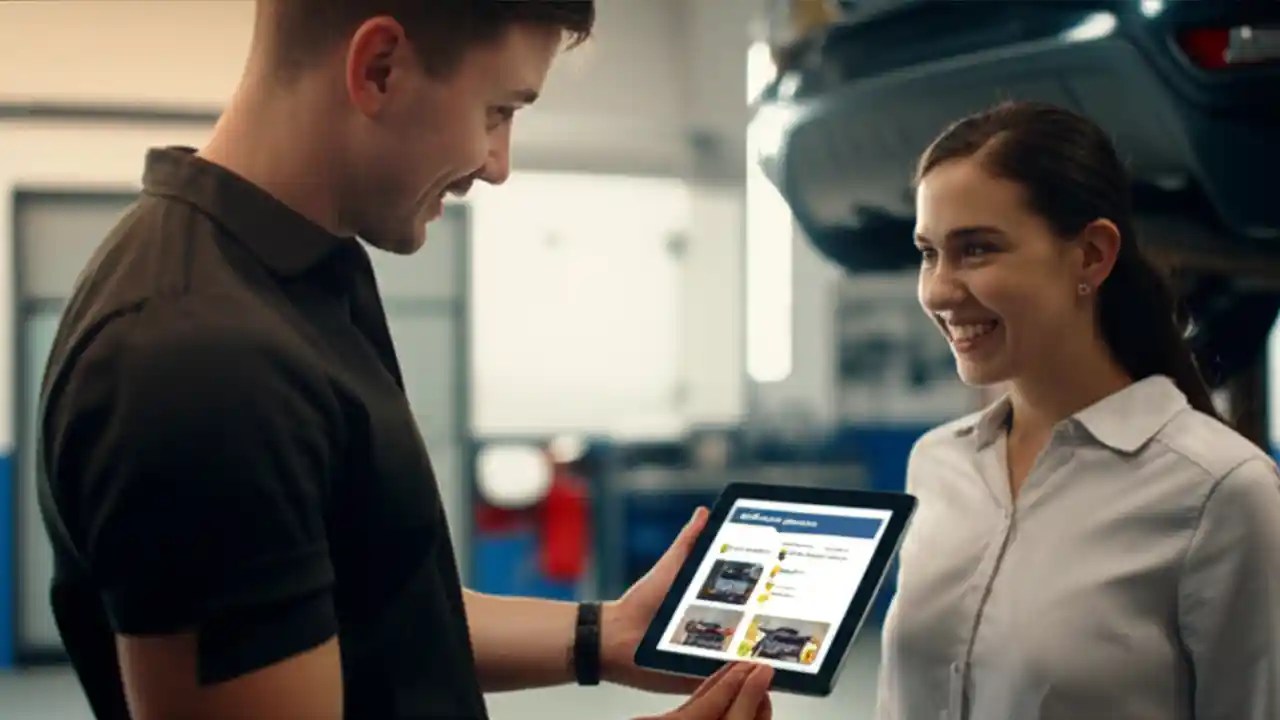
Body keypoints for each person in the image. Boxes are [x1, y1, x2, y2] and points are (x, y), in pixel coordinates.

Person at [36, 2, 773, 718]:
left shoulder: (293, 278)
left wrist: (602, 636)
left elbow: (375, 610)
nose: (497, 165)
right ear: (379, 69)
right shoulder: (197, 362)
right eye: (498, 111)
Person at [876, 100, 1280, 719]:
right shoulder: (937, 464)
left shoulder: (1221, 492)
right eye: (928, 253)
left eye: (977, 249)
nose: (938, 291)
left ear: (1091, 255)